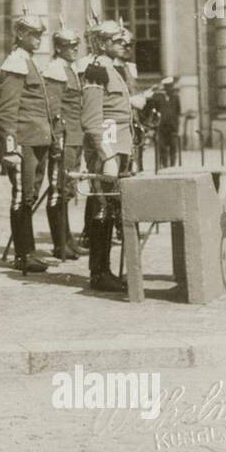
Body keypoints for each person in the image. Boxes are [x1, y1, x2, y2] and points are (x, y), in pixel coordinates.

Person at [0, 11, 55, 274]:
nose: (38, 38)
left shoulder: (28, 61)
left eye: (40, 34)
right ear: (19, 34)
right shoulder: (15, 63)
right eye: (33, 33)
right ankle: (23, 253)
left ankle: (28, 249)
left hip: (37, 139)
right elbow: (6, 111)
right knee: (21, 196)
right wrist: (10, 148)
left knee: (29, 195)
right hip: (23, 142)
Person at [79, 18, 137, 293]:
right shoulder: (96, 70)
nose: (123, 44)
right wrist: (107, 154)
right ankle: (99, 272)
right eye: (117, 40)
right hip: (107, 150)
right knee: (102, 206)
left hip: (119, 146)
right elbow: (91, 120)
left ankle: (106, 270)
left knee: (113, 209)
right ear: (101, 43)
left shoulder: (115, 70)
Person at [42, 25, 84, 260]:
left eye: (76, 45)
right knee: (58, 188)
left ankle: (67, 239)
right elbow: (54, 108)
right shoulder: (55, 70)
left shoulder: (70, 68)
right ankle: (60, 243)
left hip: (75, 136)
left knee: (67, 189)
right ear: (58, 48)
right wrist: (57, 139)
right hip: (64, 136)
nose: (74, 49)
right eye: (69, 46)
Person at [157, 77, 181, 168]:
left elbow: (178, 111)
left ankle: (172, 164)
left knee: (173, 145)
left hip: (172, 126)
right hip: (161, 126)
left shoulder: (175, 97)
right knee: (162, 146)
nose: (169, 89)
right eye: (167, 87)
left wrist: (176, 124)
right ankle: (164, 164)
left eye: (171, 87)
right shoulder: (159, 97)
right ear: (164, 87)